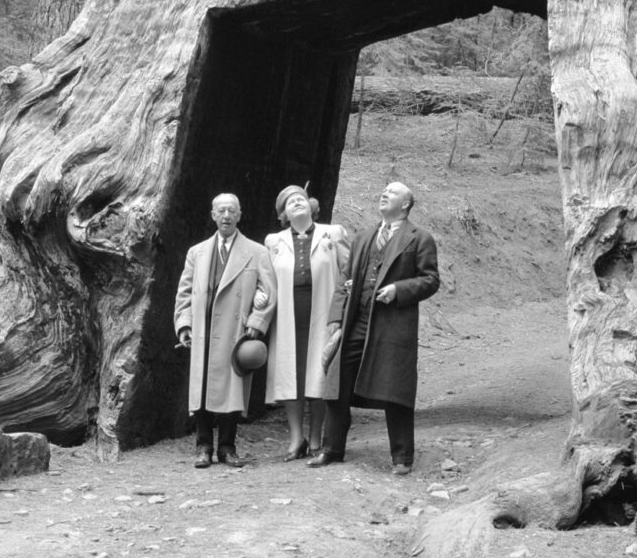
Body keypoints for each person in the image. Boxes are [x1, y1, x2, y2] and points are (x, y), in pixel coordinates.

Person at [310, 181, 439, 475]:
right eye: (383, 191)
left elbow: (431, 280)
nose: (384, 194)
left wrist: (398, 289)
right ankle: (332, 449)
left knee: (396, 389)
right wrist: (335, 318)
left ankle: (402, 457)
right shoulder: (364, 237)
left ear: (405, 204)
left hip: (393, 325)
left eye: (392, 193)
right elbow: (344, 279)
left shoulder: (420, 238)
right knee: (336, 383)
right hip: (356, 321)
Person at [175, 193, 276, 468]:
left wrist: (256, 323)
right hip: (203, 329)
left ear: (239, 215)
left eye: (232, 210)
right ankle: (203, 447)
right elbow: (185, 293)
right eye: (221, 211)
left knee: (232, 389)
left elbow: (269, 291)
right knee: (202, 388)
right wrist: (184, 324)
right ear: (213, 215)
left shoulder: (257, 252)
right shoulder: (197, 253)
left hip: (235, 331)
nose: (226, 216)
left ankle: (227, 448)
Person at [264, 184, 352, 461]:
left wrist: (343, 310)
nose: (297, 203)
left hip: (323, 314)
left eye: (300, 198)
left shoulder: (332, 233)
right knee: (290, 373)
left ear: (311, 205)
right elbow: (266, 281)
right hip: (287, 315)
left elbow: (348, 273)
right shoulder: (273, 242)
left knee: (319, 372)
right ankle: (296, 438)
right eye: (290, 202)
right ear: (284, 214)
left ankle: (315, 438)